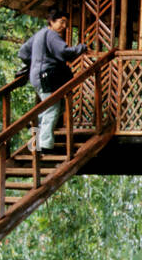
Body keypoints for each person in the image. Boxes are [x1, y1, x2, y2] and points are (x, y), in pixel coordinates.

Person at [18, 9, 89, 152]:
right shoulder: (51, 34)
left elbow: (23, 53)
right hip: (46, 77)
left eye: (66, 23)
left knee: (52, 107)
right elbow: (64, 52)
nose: (64, 26)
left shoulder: (39, 34)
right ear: (52, 21)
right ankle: (44, 144)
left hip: (37, 76)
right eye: (61, 22)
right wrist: (81, 48)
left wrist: (36, 62)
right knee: (53, 107)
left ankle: (35, 136)